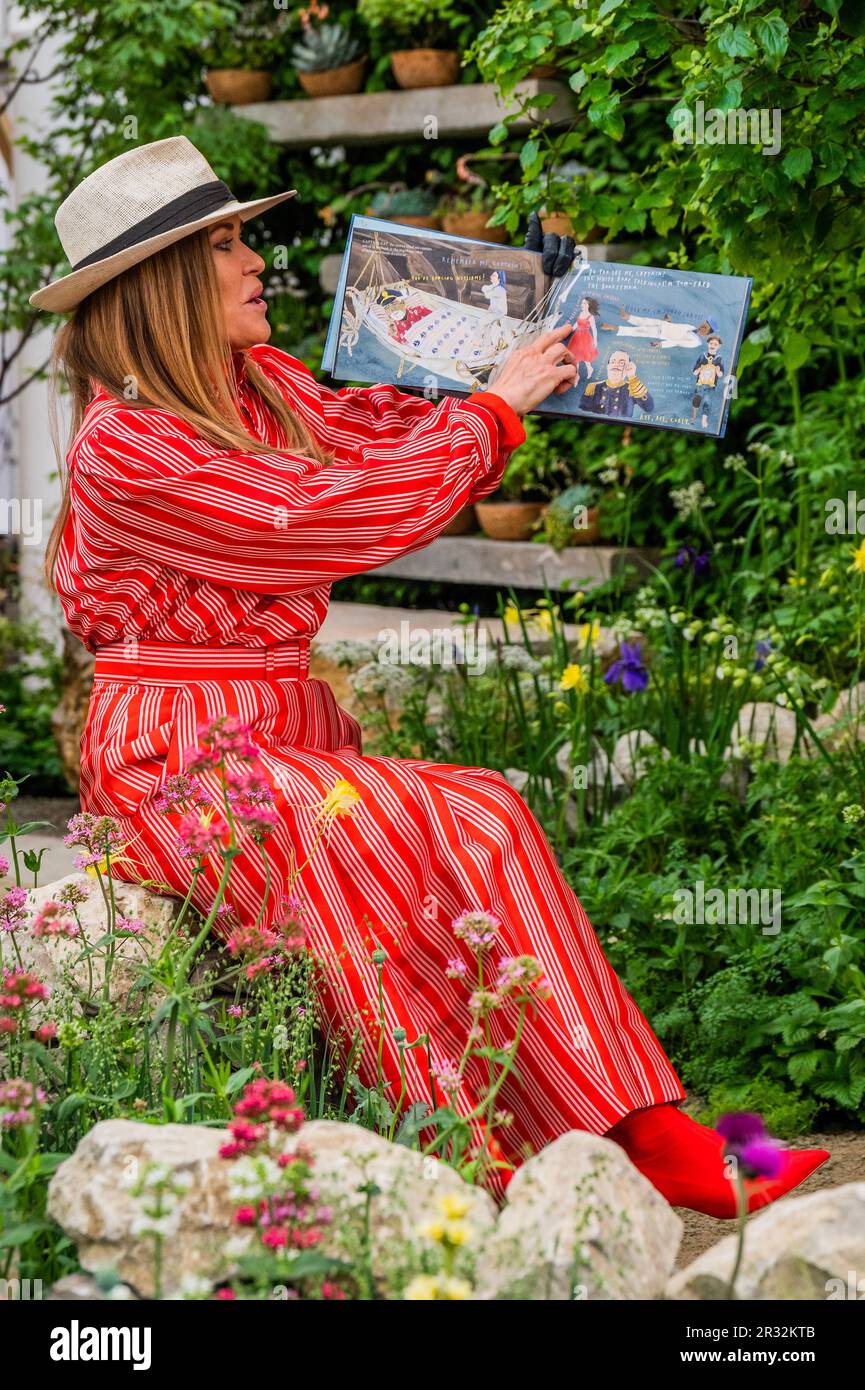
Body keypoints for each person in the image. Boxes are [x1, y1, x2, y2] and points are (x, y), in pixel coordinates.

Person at [31, 136, 828, 1215]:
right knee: (390, 836)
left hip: (281, 732)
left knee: (470, 820)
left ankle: (645, 1129)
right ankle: (475, 1170)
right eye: (222, 244)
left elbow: (376, 436)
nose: (254, 259)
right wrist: (489, 412)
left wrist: (525, 337)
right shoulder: (123, 446)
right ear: (158, 286)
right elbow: (322, 518)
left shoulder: (257, 384)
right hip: (177, 756)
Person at [579, 349, 655, 419]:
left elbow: (649, 407)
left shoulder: (632, 388)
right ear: (608, 366)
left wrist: (632, 376)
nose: (616, 365)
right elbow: (581, 412)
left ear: (628, 367)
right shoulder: (593, 387)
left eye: (622, 363)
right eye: (613, 361)